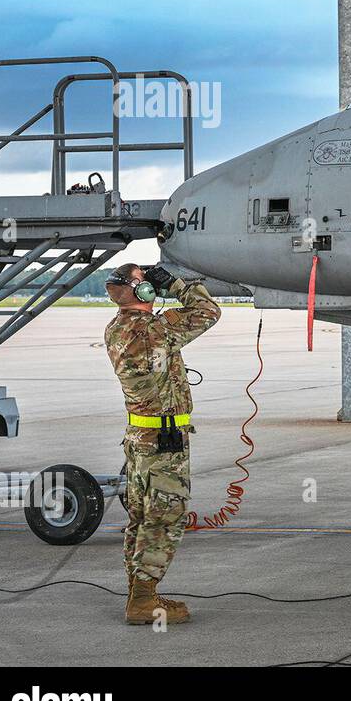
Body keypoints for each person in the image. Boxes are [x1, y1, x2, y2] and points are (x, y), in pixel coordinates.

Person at [104, 263, 221, 625]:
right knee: (166, 518)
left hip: (139, 440)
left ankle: (140, 593)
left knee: (140, 519)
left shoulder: (116, 328)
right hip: (163, 445)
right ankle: (142, 600)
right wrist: (175, 284)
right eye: (145, 282)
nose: (151, 287)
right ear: (140, 292)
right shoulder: (157, 329)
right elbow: (208, 311)